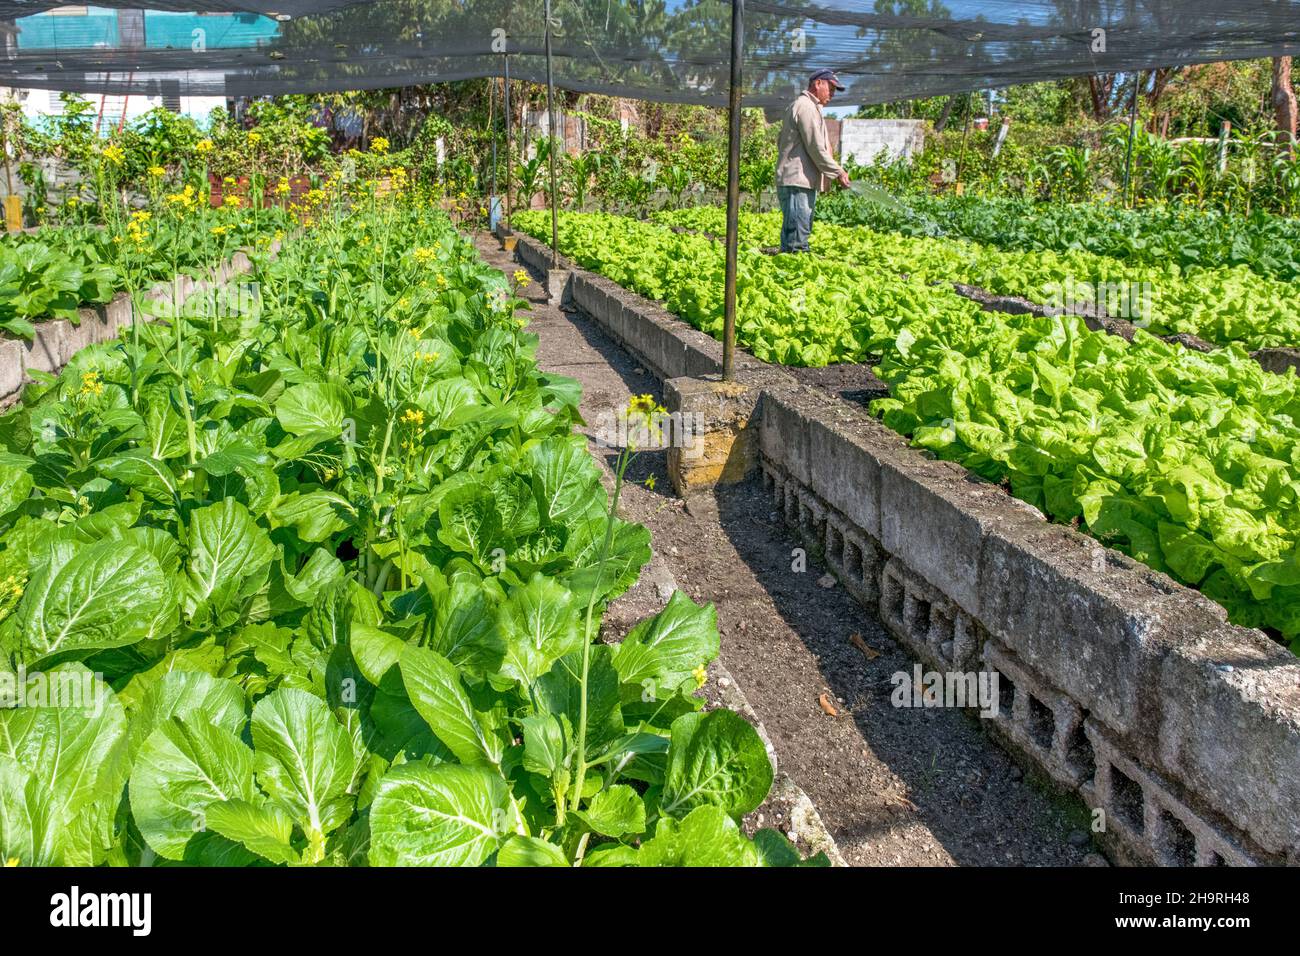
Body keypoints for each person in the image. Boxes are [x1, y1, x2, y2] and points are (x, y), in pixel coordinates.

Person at [776, 68, 851, 253]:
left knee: (795, 236)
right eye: (831, 88)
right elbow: (816, 148)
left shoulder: (809, 107)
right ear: (818, 83)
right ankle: (794, 276)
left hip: (799, 181)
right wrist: (838, 172)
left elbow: (783, 141)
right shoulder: (806, 107)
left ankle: (789, 272)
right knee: (797, 242)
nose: (832, 94)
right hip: (797, 182)